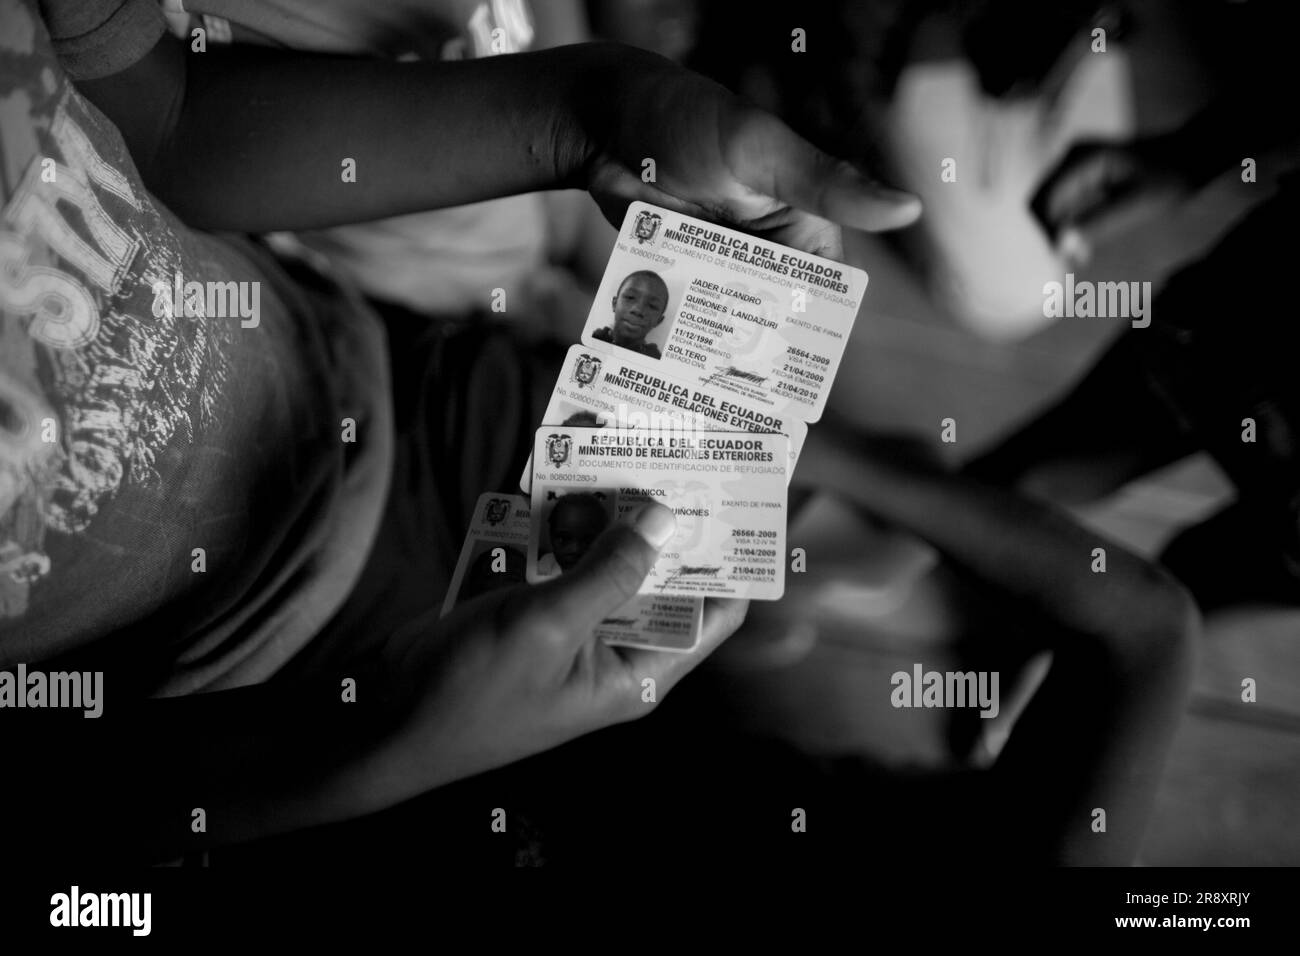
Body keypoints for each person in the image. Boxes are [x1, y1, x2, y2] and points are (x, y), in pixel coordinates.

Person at [0, 0, 919, 863]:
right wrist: (374, 744)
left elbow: (168, 117)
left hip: (390, 391)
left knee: (714, 566)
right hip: (252, 717)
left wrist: (593, 110)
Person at [592, 270, 669, 359]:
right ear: (614, 303)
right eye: (630, 297)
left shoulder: (654, 359)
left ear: (659, 320)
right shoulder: (593, 338)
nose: (638, 310)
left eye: (652, 306)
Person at [536, 494, 610, 575]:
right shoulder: (545, 565)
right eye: (563, 539)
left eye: (588, 541)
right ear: (551, 537)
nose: (575, 549)